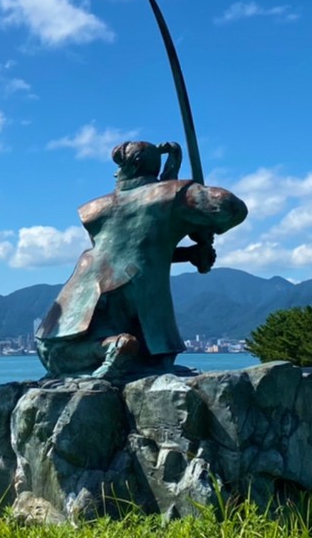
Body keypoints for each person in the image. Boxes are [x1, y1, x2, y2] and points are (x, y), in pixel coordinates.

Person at [35, 140, 248, 378]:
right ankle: (116, 346)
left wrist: (191, 246)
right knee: (149, 359)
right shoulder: (171, 194)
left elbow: (132, 248)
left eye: (120, 165)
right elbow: (231, 208)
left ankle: (112, 347)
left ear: (134, 165)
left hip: (86, 288)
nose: (115, 172)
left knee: (51, 352)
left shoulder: (96, 208)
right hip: (133, 292)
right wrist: (202, 218)